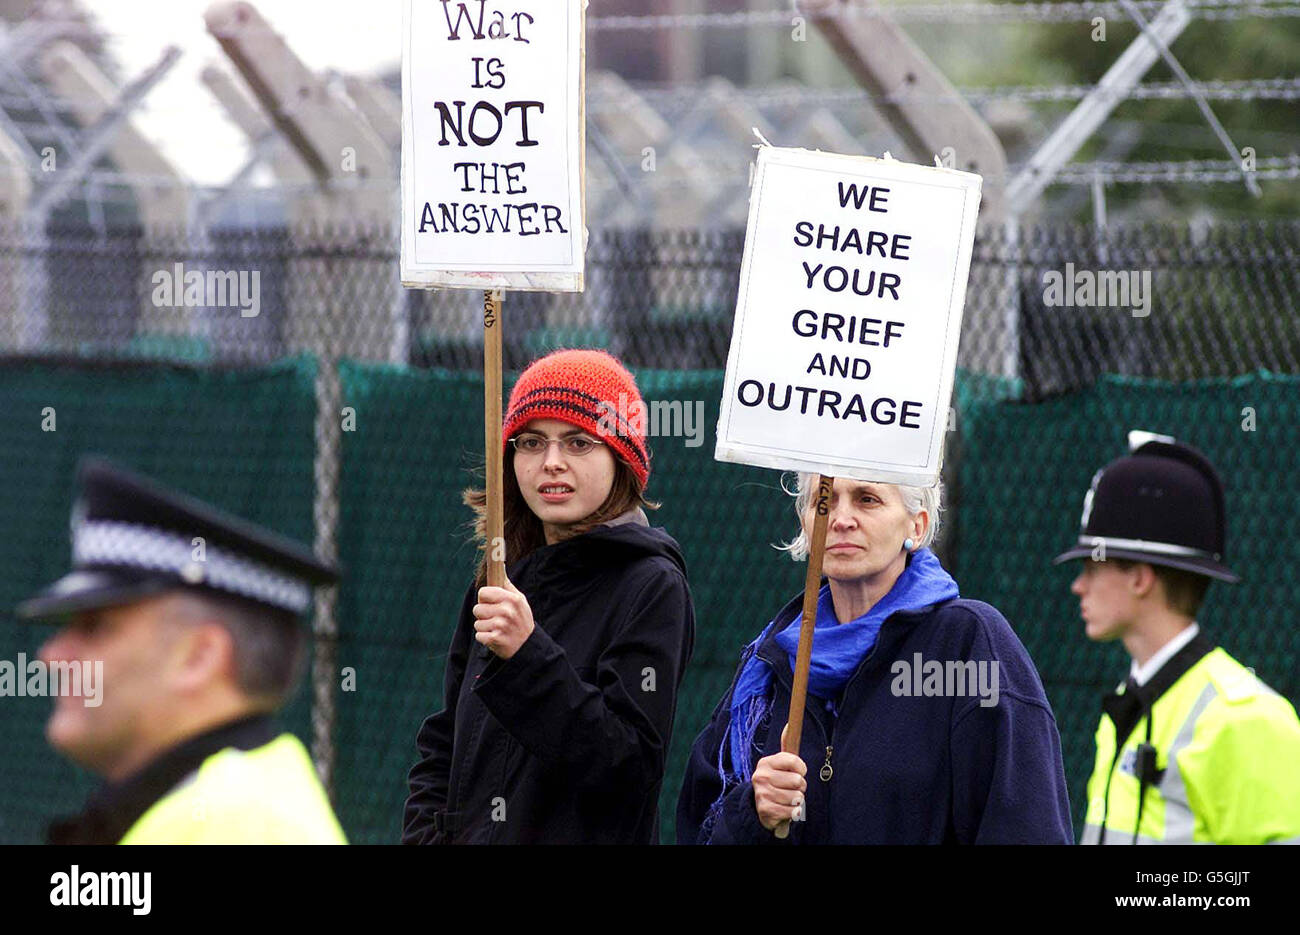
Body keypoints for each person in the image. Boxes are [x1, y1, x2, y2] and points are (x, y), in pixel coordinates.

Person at [677, 472, 1073, 844]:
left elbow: (1026, 825)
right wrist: (755, 813)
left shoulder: (967, 646)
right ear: (804, 522)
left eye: (867, 500)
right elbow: (696, 827)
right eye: (824, 500)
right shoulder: (770, 664)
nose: (841, 518)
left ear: (916, 526)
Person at [403, 349, 695, 844]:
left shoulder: (651, 585)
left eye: (578, 442)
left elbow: (629, 768)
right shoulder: (499, 576)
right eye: (532, 442)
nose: (551, 463)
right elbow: (445, 743)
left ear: (621, 457)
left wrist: (527, 655)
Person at [17, 457, 346, 844]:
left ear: (199, 658)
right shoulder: (215, 809)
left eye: (95, 628)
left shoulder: (237, 827)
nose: (51, 655)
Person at [1055, 432, 1300, 844]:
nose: (1078, 586)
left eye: (1092, 568)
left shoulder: (1249, 718)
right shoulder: (1129, 698)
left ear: (1139, 578)